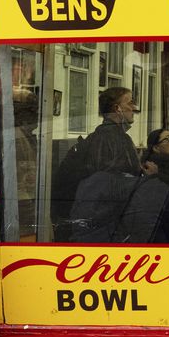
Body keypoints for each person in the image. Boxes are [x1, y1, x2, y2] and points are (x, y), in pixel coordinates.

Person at [67, 130, 169, 243]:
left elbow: (77, 223)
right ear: (128, 153)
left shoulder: (86, 184)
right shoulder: (138, 185)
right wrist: (154, 180)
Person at [50, 87, 136, 233]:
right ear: (117, 109)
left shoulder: (95, 137)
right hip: (107, 221)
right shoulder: (119, 139)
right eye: (130, 103)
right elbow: (122, 181)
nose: (133, 108)